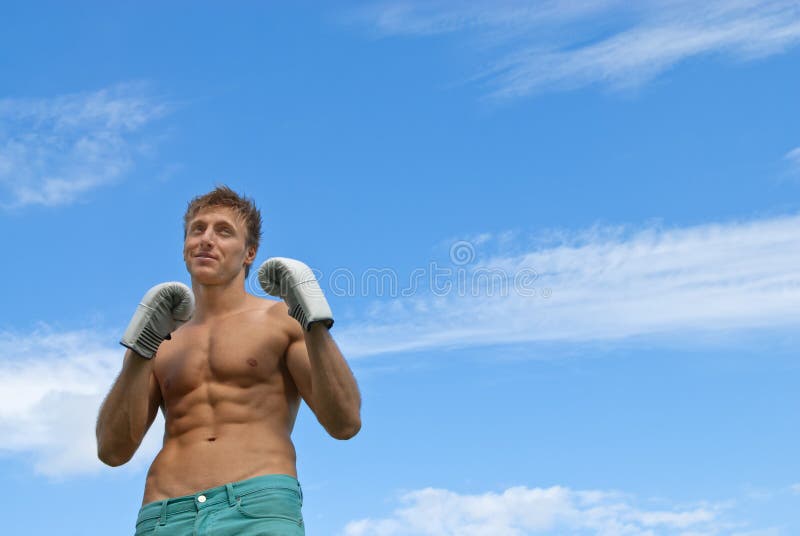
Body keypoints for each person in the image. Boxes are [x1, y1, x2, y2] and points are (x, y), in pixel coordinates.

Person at [96, 185, 361, 535]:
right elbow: (112, 451)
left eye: (223, 231)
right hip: (165, 515)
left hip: (257, 507)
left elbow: (344, 423)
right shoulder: (159, 336)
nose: (206, 239)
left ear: (249, 253)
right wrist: (139, 352)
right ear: (184, 245)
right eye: (198, 229)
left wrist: (312, 320)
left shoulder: (282, 320)